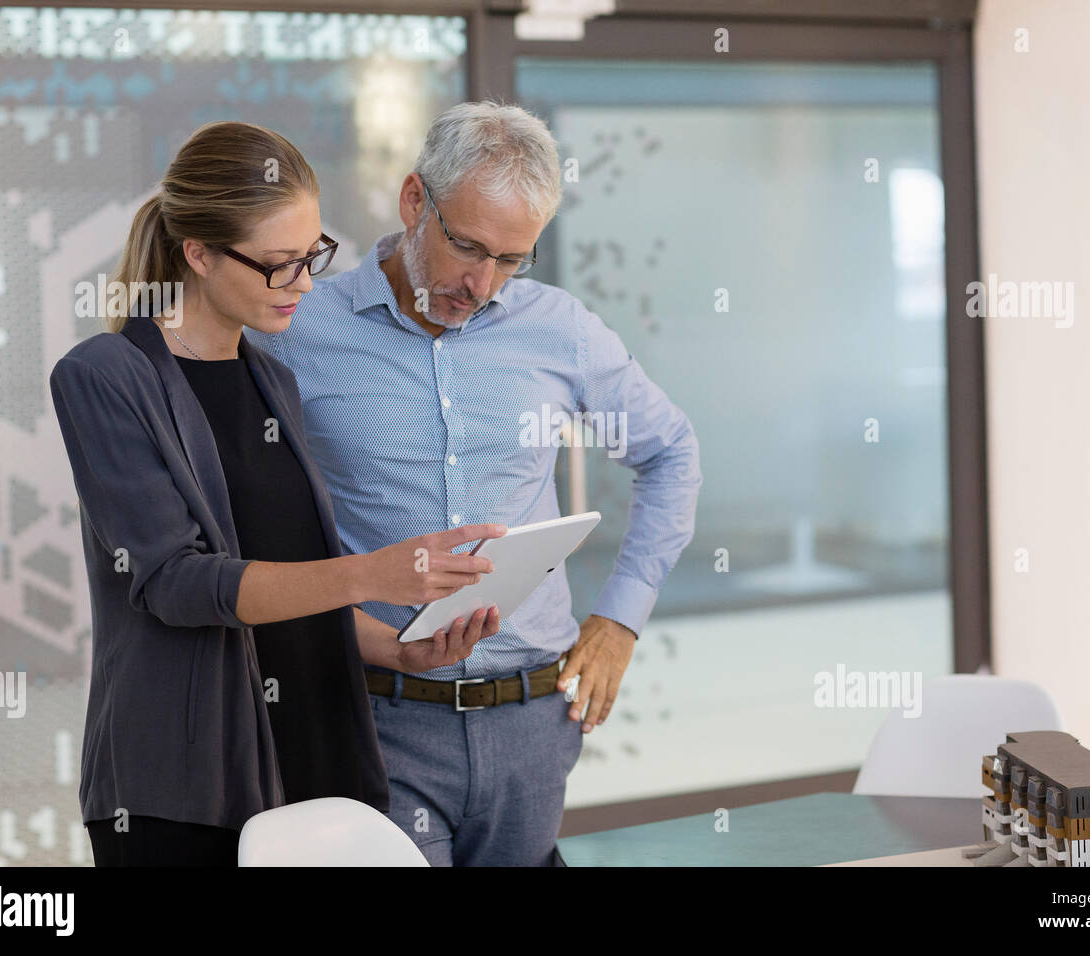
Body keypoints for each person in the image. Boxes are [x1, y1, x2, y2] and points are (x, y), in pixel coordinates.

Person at [244, 101, 702, 866]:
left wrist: (620, 619)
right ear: (415, 200)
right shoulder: (300, 330)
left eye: (512, 260)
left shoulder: (561, 330)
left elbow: (672, 453)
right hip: (375, 718)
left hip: (532, 722)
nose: (482, 283)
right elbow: (246, 521)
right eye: (468, 247)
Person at [50, 121, 506, 867]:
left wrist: (397, 647)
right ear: (197, 253)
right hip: (187, 787)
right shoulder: (104, 376)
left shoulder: (274, 380)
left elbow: (290, 578)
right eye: (277, 265)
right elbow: (176, 583)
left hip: (317, 756)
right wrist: (377, 572)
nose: (303, 284)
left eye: (312, 257)